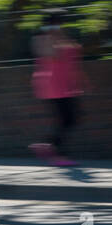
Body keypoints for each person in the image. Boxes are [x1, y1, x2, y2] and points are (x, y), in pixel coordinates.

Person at [30, 9, 86, 167]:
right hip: (52, 85)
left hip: (65, 84)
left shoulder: (61, 36)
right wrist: (54, 35)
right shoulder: (40, 38)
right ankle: (57, 153)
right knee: (66, 119)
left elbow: (74, 52)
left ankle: (46, 145)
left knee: (71, 119)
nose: (60, 25)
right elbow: (53, 54)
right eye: (57, 22)